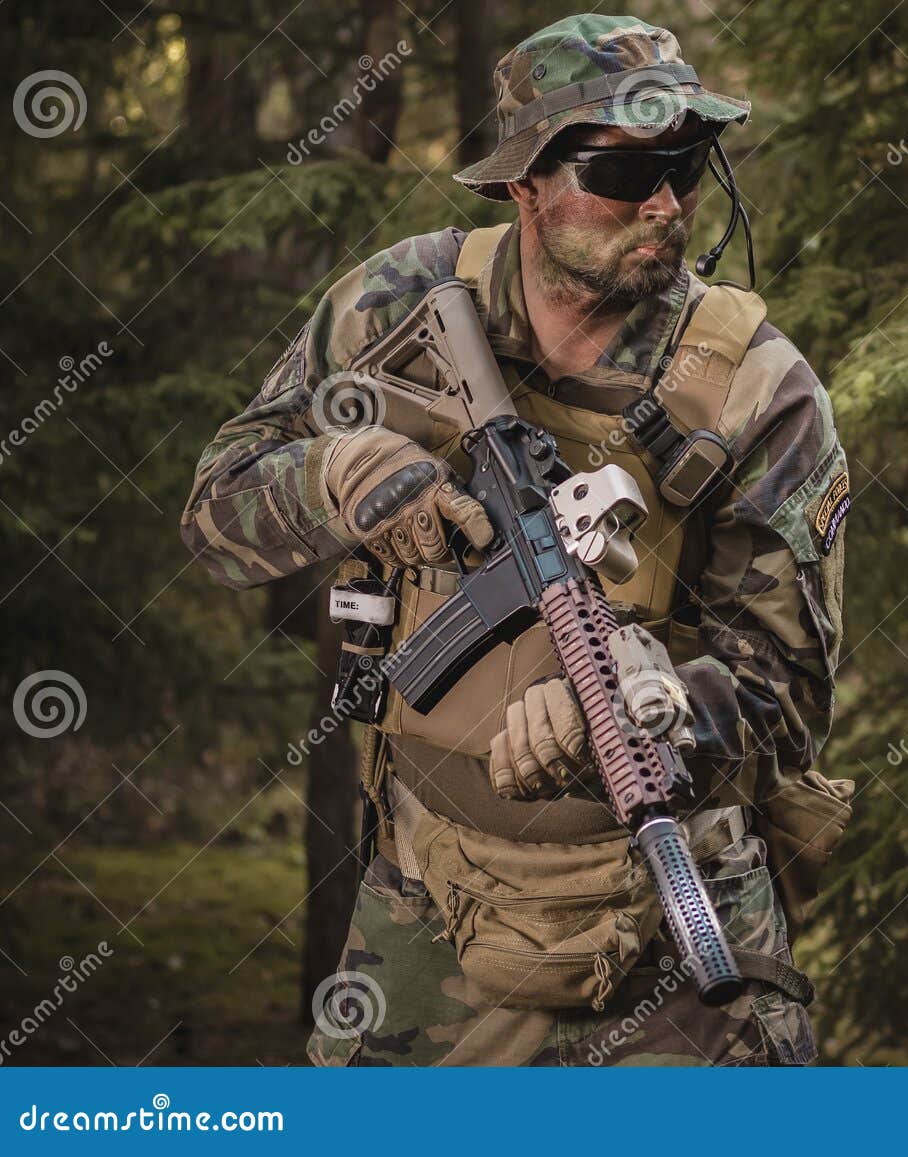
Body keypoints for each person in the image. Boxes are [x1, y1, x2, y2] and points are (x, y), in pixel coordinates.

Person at [179, 14, 851, 1066]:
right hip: (432, 895)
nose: (666, 204)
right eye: (624, 171)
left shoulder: (756, 385)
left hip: (675, 913)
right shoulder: (397, 301)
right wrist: (339, 472)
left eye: (685, 163)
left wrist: (645, 701)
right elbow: (218, 514)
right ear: (523, 183)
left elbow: (790, 697)